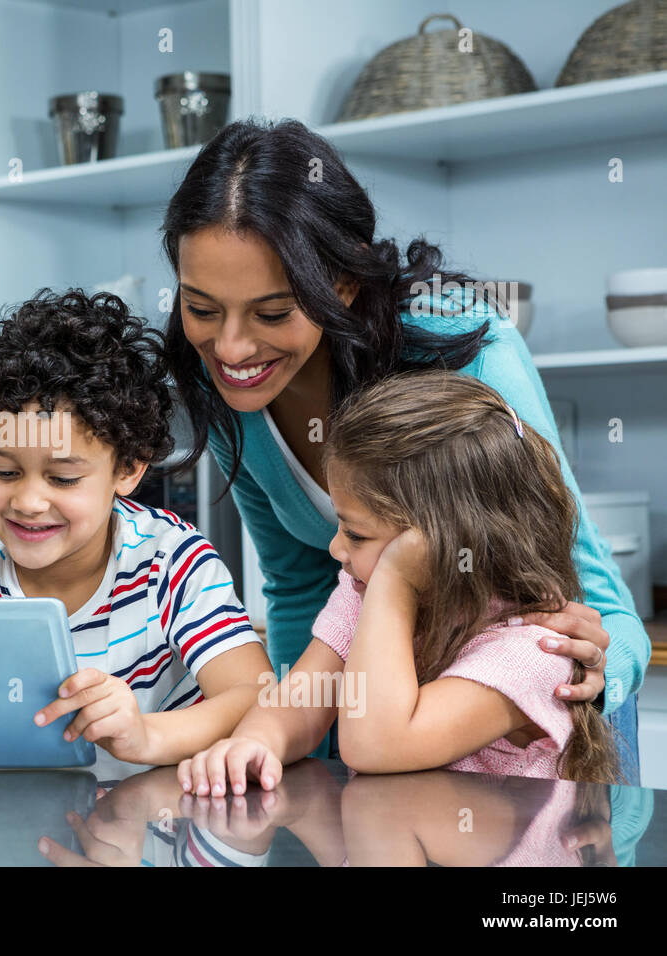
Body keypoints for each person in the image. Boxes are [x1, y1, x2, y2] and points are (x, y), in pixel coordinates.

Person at [161, 118, 647, 780]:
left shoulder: (465, 351)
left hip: (546, 737)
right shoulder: (223, 391)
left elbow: (580, 583)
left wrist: (591, 676)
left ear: (344, 281)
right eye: (202, 308)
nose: (232, 348)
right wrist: (283, 750)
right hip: (393, 748)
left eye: (273, 313)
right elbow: (299, 590)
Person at [178, 371, 622, 798]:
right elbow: (301, 700)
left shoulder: (532, 651)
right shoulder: (362, 593)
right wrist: (257, 741)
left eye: (356, 534)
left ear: (441, 542)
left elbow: (377, 745)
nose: (335, 549)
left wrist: (394, 579)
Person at [0, 288, 273, 766]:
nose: (27, 503)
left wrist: (145, 735)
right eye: (3, 471)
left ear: (128, 469)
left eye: (63, 478)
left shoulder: (171, 562)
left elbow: (255, 697)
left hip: (156, 827)